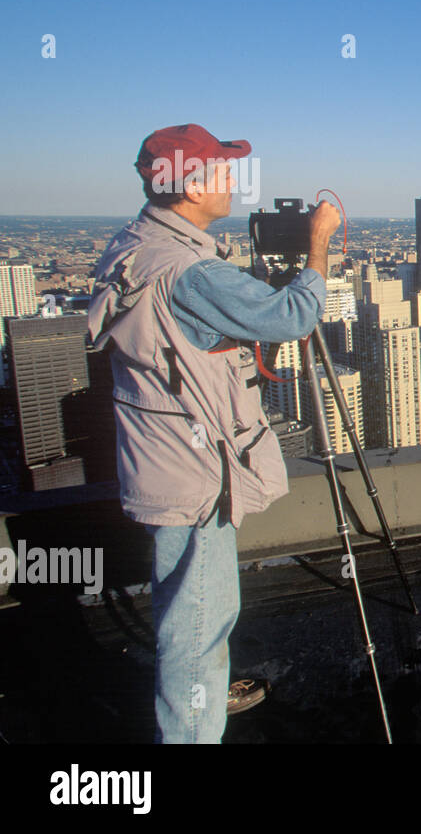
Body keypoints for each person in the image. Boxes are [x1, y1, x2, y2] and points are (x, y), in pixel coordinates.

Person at [88, 124, 340, 743]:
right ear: (190, 186)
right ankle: (192, 720)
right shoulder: (188, 270)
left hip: (161, 455)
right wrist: (319, 246)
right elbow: (294, 316)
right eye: (222, 173)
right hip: (194, 469)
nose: (233, 182)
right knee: (198, 620)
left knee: (189, 609)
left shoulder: (135, 243)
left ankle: (198, 689)